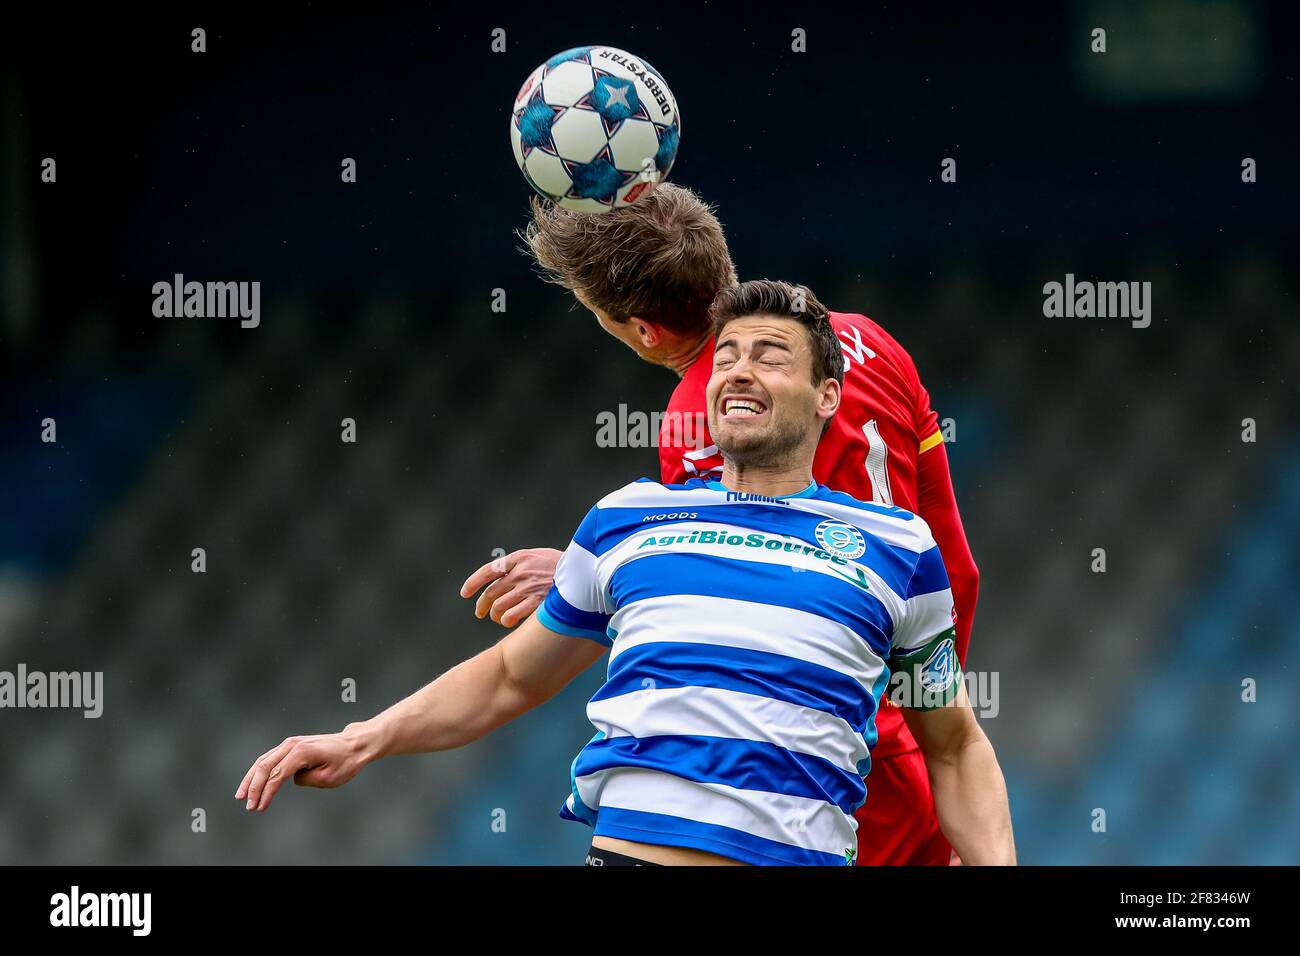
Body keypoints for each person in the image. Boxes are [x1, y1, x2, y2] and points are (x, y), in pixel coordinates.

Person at [236, 280, 1015, 867]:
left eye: (770, 356)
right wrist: (362, 738)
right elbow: (511, 677)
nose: (739, 372)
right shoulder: (628, 520)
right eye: (728, 356)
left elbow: (952, 747)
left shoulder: (895, 550)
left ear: (827, 397)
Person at [463, 185, 981, 864]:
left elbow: (720, 595)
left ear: (642, 331)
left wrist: (587, 575)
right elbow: (952, 567)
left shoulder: (699, 416)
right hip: (920, 742)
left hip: (825, 773)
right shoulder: (866, 341)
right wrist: (934, 721)